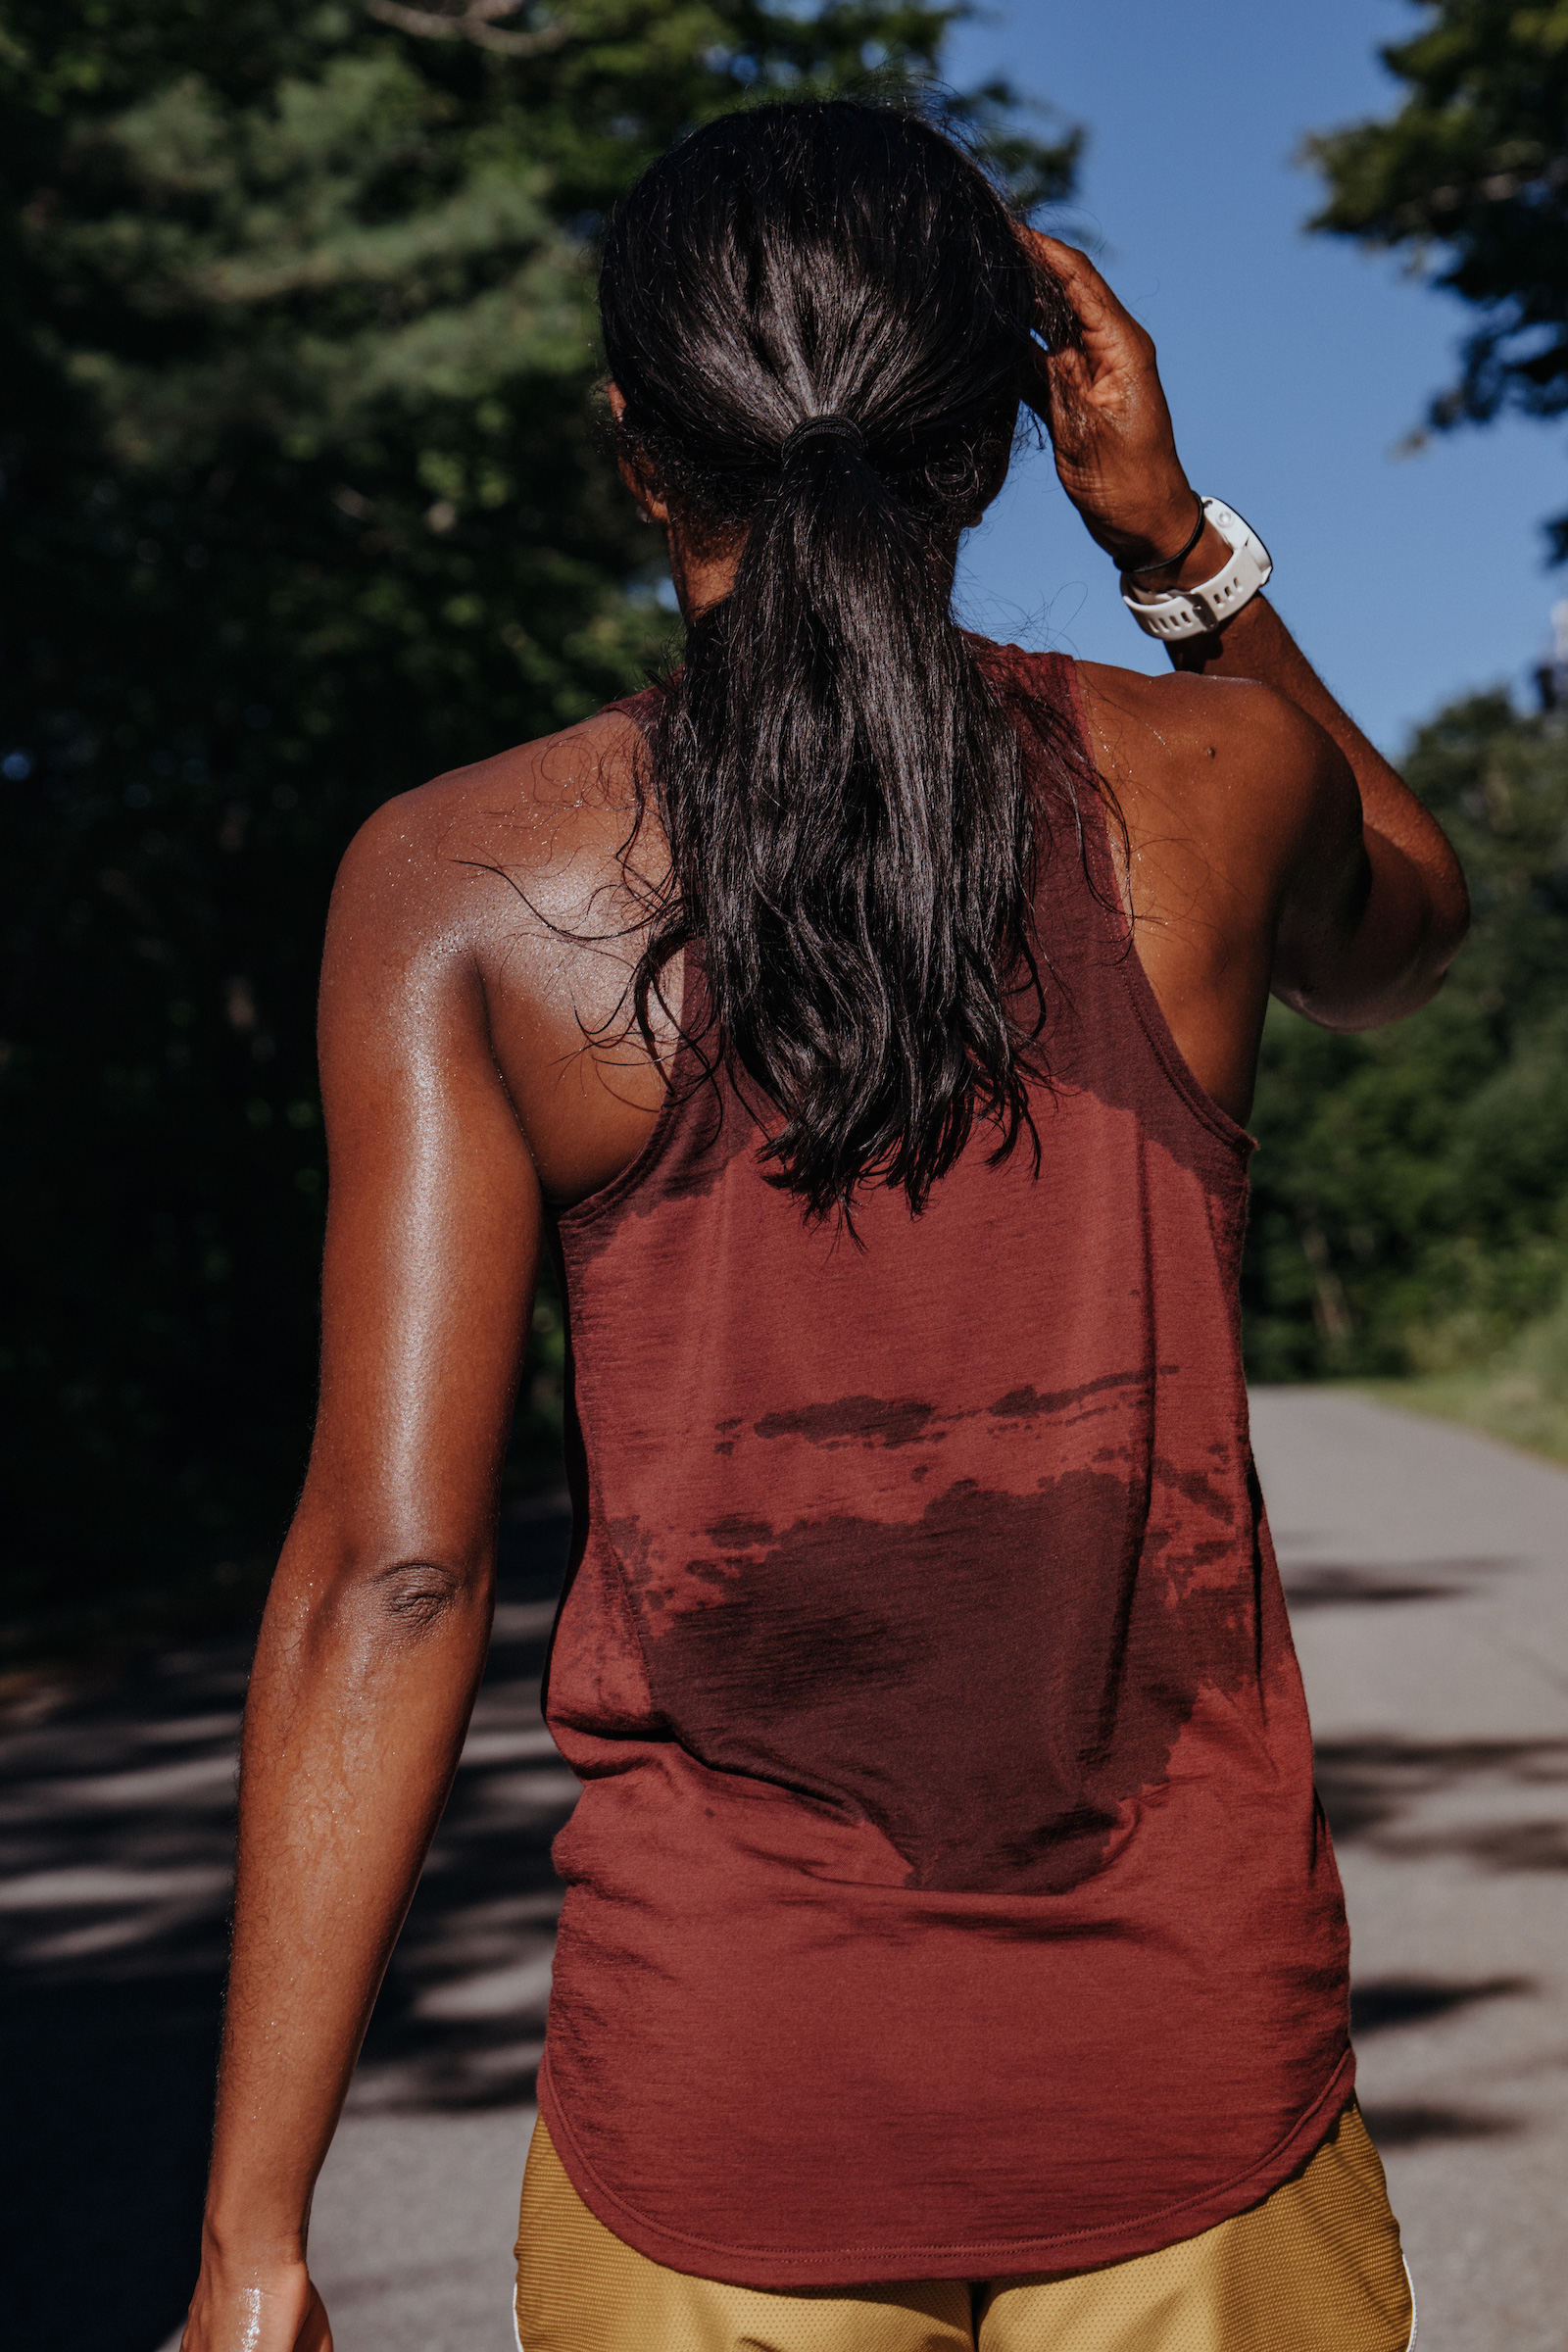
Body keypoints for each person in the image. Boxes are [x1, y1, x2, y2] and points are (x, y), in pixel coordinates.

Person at [179, 99, 1466, 2352]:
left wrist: (251, 2243)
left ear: (632, 444)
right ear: (993, 434)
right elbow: (1400, 937)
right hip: (1193, 2086)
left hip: (714, 2124)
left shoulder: (460, 885)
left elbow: (393, 1575)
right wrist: (1177, 552)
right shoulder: (1216, 783)